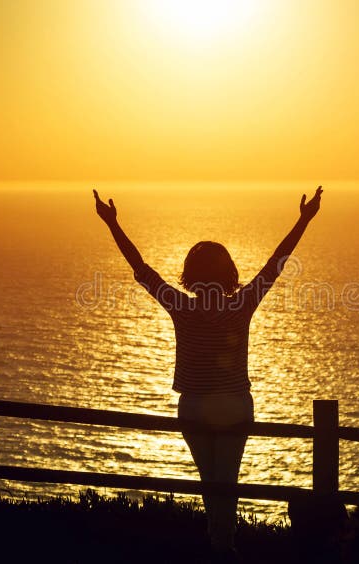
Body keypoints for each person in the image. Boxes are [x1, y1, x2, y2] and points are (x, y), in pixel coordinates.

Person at [92, 186, 323, 557]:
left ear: (190, 275)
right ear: (228, 272)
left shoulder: (180, 306)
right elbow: (276, 263)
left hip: (194, 405)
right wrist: (303, 220)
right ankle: (224, 547)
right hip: (234, 403)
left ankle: (219, 545)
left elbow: (141, 268)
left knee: (210, 482)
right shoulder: (243, 303)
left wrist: (112, 224)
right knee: (226, 482)